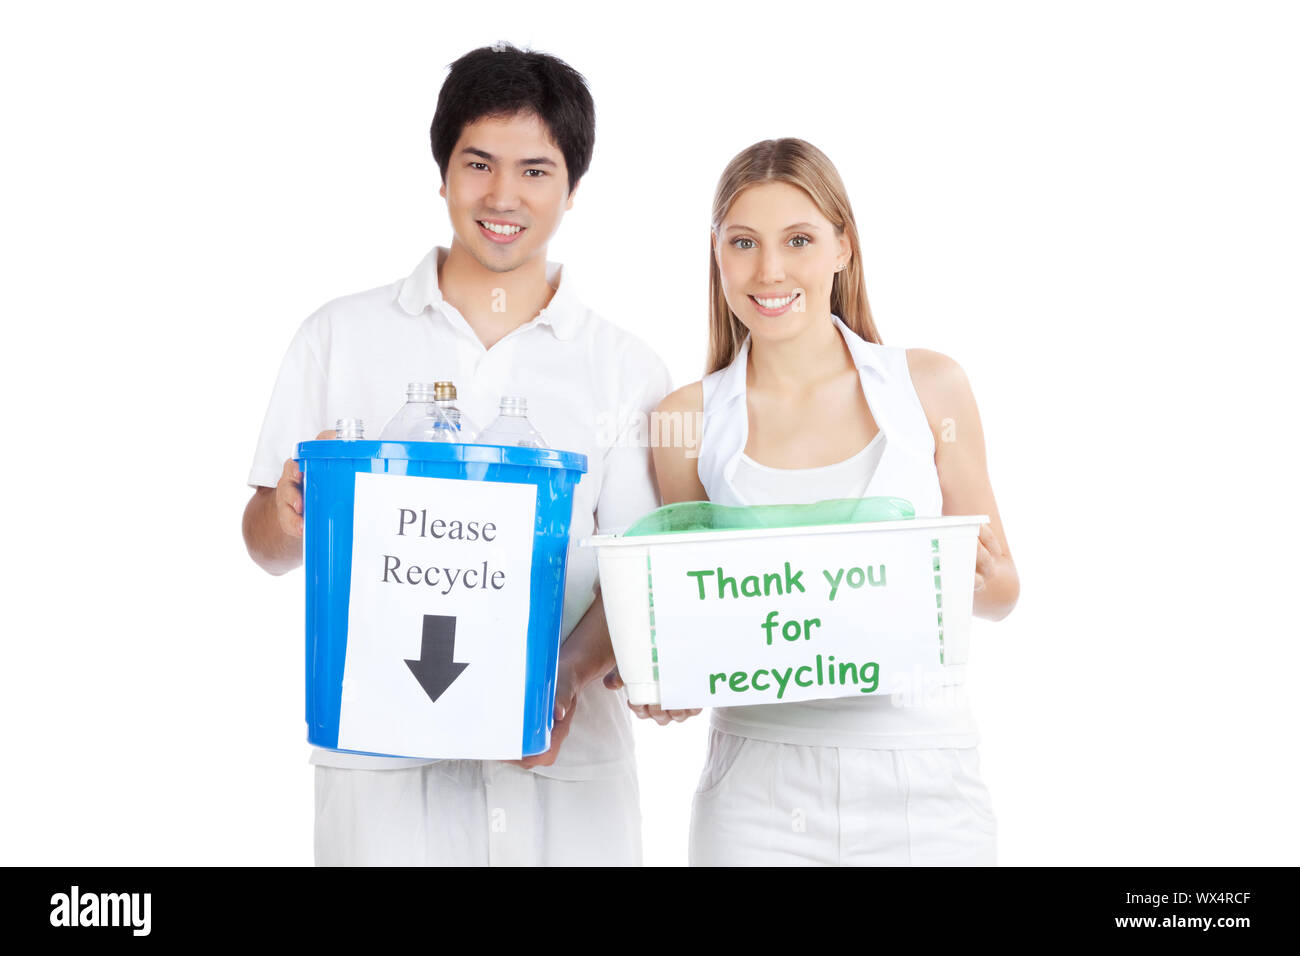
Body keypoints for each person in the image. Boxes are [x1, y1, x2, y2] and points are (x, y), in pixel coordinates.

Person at [241, 44, 671, 866]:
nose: (503, 197)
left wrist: (568, 678)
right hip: (381, 782)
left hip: (561, 781)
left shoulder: (624, 368)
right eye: (479, 164)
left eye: (536, 171)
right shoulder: (340, 336)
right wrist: (291, 511)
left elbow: (639, 577)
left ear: (572, 189)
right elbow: (263, 547)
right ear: (442, 173)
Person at [648, 138, 1020, 866]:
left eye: (799, 240)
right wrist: (666, 678)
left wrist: (962, 571)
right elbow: (689, 622)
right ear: (716, 252)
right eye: (744, 242)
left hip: (923, 777)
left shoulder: (931, 386)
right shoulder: (682, 418)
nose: (770, 271)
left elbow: (1005, 591)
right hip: (757, 784)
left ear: (843, 247)